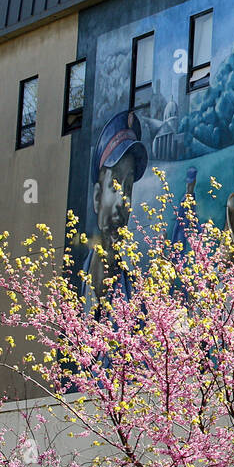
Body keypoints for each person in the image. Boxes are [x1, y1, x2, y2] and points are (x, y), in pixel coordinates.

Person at [78, 109, 149, 314]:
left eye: (128, 188)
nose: (122, 200)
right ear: (97, 197)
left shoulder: (137, 302)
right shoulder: (71, 284)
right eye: (116, 185)